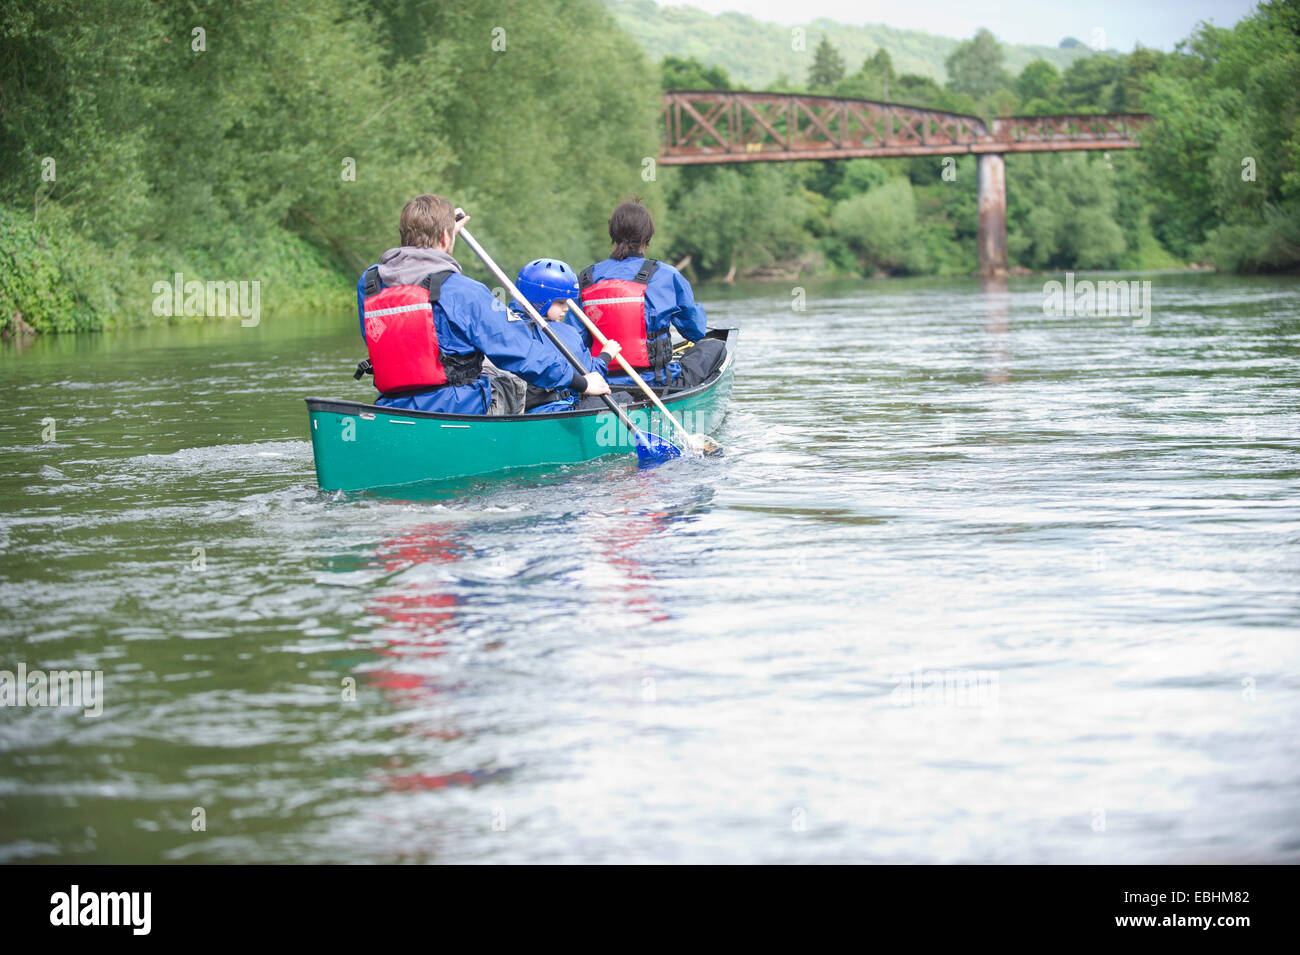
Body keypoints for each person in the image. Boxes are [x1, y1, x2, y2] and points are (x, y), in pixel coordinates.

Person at [355, 195, 609, 415]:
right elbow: (520, 352)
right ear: (446, 236)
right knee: (510, 378)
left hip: (392, 403)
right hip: (458, 407)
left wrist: (437, 229)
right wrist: (580, 382)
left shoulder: (370, 284)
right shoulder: (464, 291)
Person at [575, 199, 726, 391]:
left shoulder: (586, 278)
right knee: (714, 347)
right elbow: (695, 332)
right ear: (648, 237)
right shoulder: (667, 275)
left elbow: (574, 341)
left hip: (601, 383)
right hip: (657, 383)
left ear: (612, 234)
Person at [510, 258, 628, 414]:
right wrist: (607, 354)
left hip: (523, 411)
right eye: (560, 302)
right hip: (557, 410)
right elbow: (590, 375)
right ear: (541, 299)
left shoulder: (508, 327)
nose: (566, 308)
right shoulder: (561, 333)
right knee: (625, 398)